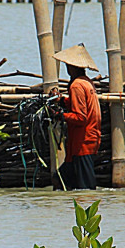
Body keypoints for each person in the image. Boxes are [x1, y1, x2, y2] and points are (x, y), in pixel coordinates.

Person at [53, 44, 101, 190]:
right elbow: (80, 106)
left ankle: (86, 208)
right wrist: (62, 101)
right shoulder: (86, 82)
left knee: (85, 187)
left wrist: (60, 115)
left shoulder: (76, 86)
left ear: (71, 67)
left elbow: (81, 117)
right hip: (88, 138)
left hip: (83, 141)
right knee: (63, 180)